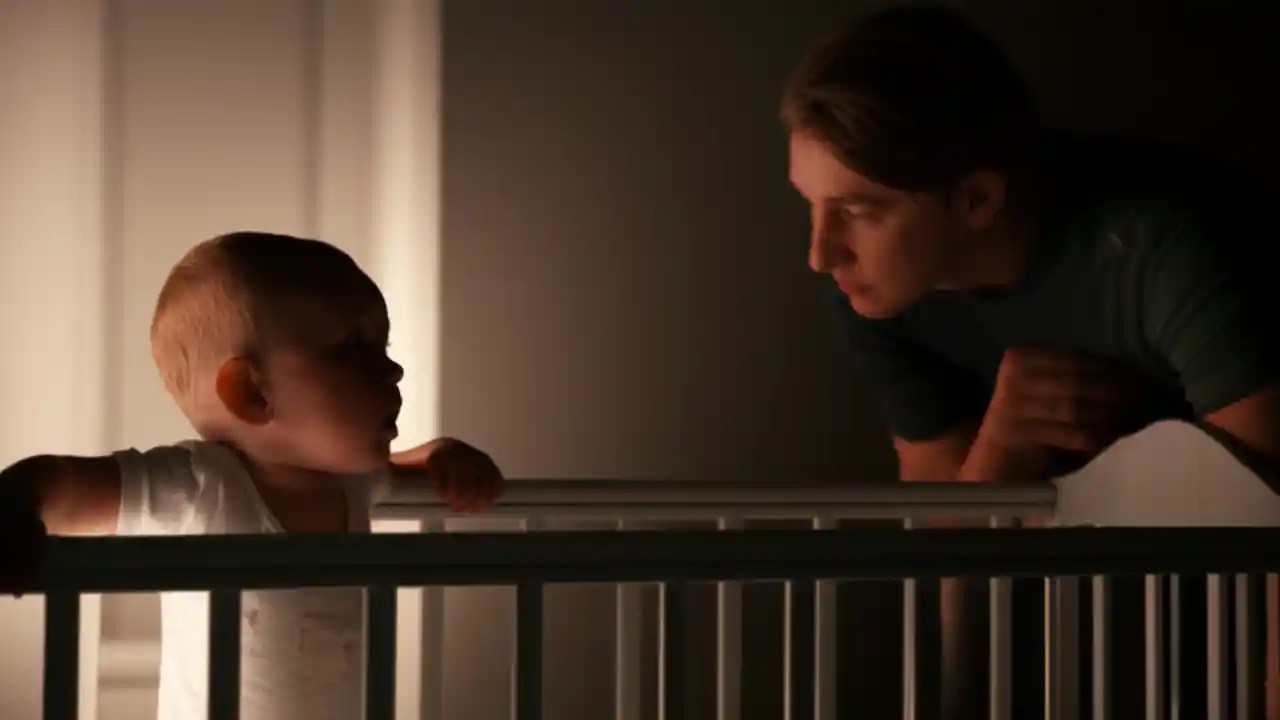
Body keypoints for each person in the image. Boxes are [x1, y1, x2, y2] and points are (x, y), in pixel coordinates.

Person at [780, 5, 1280, 717]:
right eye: (810, 204)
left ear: (977, 199)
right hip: (1135, 624)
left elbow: (1273, 534)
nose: (820, 251)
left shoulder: (1168, 249)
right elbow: (942, 548)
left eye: (859, 210)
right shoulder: (870, 287)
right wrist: (997, 452)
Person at [0, 232, 506, 719]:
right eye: (355, 348)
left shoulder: (355, 480)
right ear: (253, 393)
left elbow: (412, 468)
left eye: (384, 347)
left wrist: (444, 454)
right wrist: (11, 510)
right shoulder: (200, 487)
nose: (393, 370)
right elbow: (59, 486)